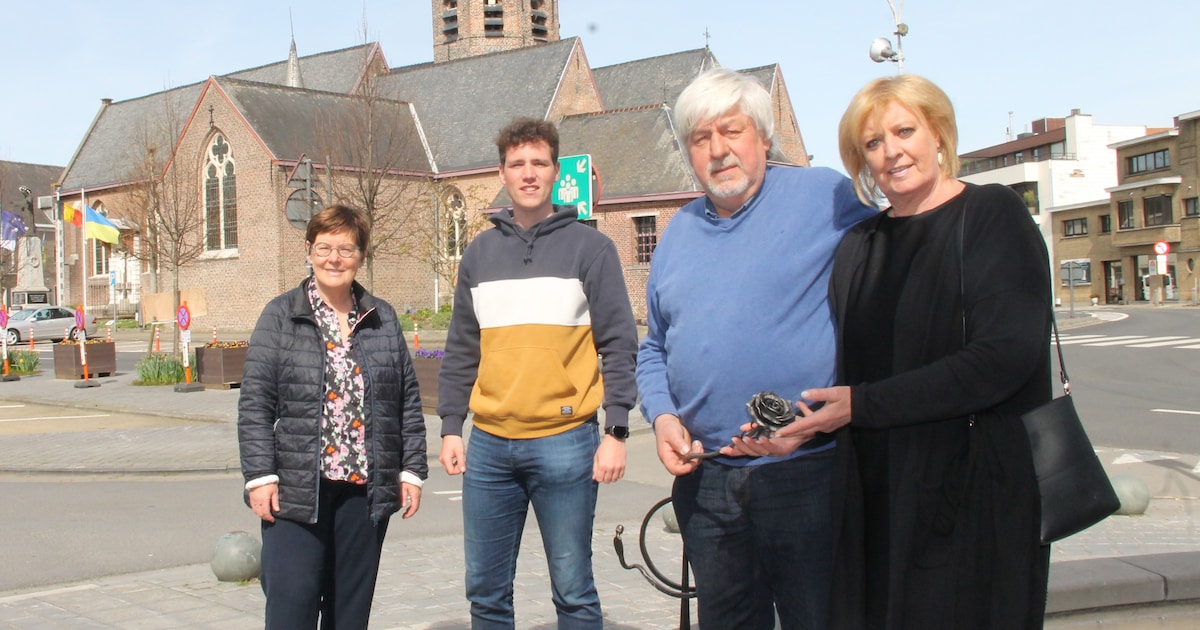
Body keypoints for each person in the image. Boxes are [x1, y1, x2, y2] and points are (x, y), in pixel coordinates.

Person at [770, 74, 1053, 628]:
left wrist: (863, 405)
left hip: (974, 496)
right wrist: (799, 429)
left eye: (904, 131)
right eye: (873, 143)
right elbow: (851, 373)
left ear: (939, 134)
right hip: (878, 498)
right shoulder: (860, 246)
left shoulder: (993, 215)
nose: (891, 152)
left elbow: (1004, 357)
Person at [636, 67, 876, 629]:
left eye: (732, 131)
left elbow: (907, 252)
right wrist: (664, 416)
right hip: (709, 478)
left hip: (806, 472)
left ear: (764, 138)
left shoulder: (826, 196)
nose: (718, 150)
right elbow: (654, 349)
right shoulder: (677, 236)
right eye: (701, 138)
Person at [437, 117, 639, 629]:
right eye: (517, 164)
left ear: (555, 172)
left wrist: (615, 430)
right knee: (485, 593)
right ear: (502, 173)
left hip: (566, 442)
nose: (529, 174)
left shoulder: (592, 249)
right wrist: (449, 427)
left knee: (573, 591)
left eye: (539, 164)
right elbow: (461, 347)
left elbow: (618, 343)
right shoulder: (479, 254)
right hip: (488, 446)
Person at [238, 204, 428, 629]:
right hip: (297, 492)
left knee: (349, 613)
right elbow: (254, 403)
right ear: (309, 251)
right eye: (324, 247)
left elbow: (407, 402)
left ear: (361, 256)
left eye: (346, 248)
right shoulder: (280, 316)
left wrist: (411, 471)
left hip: (364, 494)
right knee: (292, 605)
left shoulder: (381, 318)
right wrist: (260, 476)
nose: (334, 258)